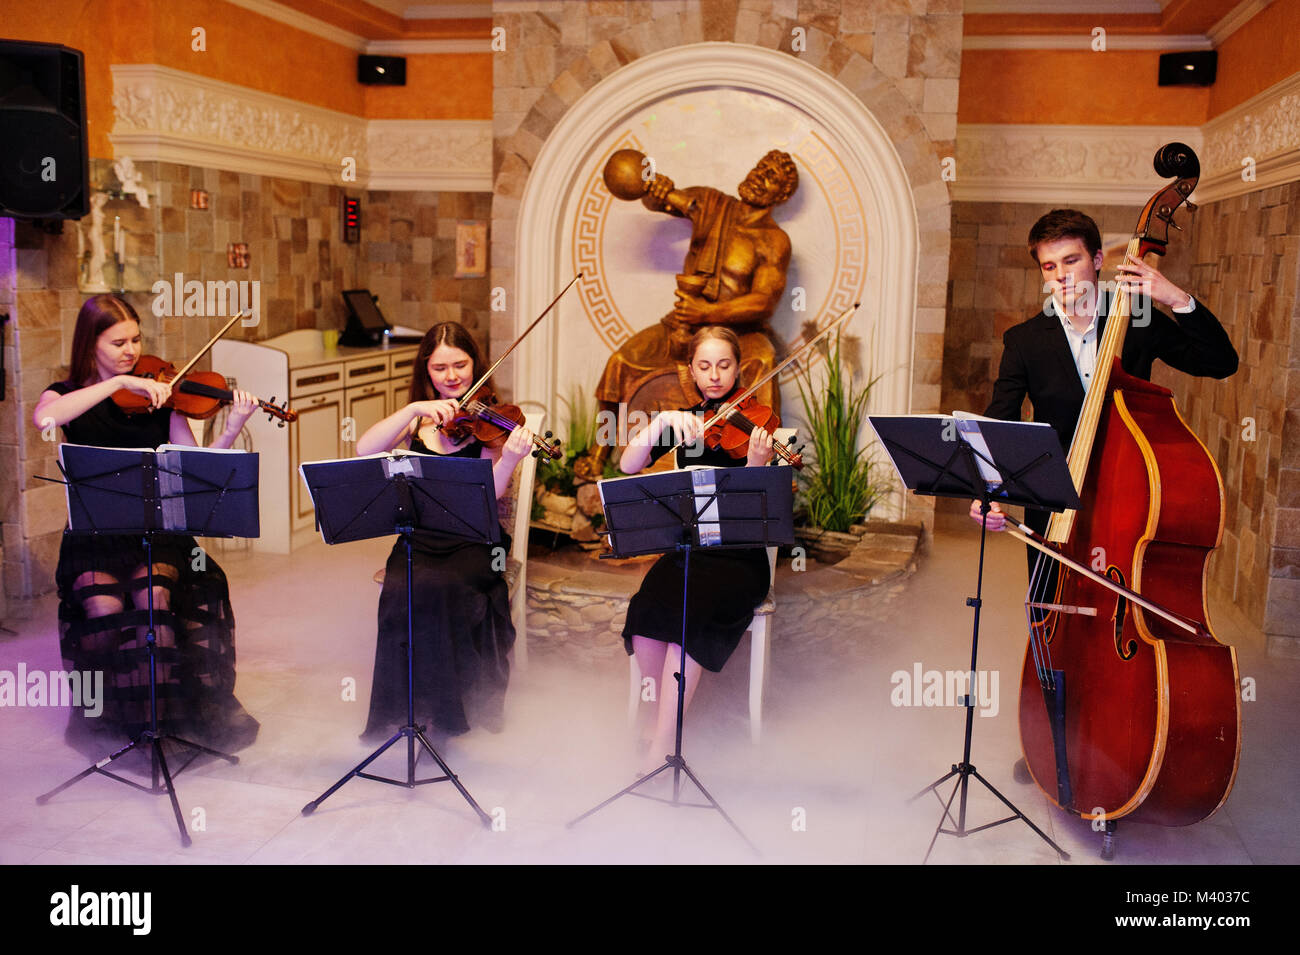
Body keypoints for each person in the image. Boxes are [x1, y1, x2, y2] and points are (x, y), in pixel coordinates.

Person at [31, 294, 260, 757]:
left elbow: (197, 466)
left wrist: (232, 426)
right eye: (117, 343)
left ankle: (160, 729)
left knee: (151, 597)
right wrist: (117, 383)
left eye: (136, 339)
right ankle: (115, 724)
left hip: (157, 534)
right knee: (102, 609)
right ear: (89, 344)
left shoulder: (163, 396)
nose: (131, 351)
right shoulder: (67, 392)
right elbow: (46, 419)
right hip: (95, 536)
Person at [971, 208, 1238, 546]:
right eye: (1049, 266)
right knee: (1049, 597)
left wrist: (1176, 298)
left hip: (1127, 487)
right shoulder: (1024, 341)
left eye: (1071, 260)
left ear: (1097, 260)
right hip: (1053, 500)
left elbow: (1220, 363)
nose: (1061, 275)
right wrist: (986, 493)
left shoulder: (1137, 318)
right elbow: (1000, 424)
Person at [355, 321, 535, 738]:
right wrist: (413, 409)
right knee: (402, 591)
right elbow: (365, 449)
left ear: (476, 364)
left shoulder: (491, 420)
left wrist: (508, 458)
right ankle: (406, 707)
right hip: (420, 535)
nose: (452, 376)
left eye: (460, 364)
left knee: (440, 588)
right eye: (440, 368)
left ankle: (444, 713)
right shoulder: (418, 420)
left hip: (475, 538)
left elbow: (489, 497)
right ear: (426, 371)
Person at [575, 150, 797, 481]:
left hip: (739, 330)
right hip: (684, 320)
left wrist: (709, 311)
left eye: (769, 177)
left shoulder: (774, 241)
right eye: (759, 167)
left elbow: (764, 301)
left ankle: (771, 461)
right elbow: (662, 203)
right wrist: (654, 189)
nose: (758, 176)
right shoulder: (712, 202)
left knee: (763, 359)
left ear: (780, 195)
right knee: (620, 360)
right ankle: (599, 451)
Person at [618, 326, 775, 775]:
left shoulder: (759, 425)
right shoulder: (687, 422)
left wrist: (757, 466)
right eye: (704, 366)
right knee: (647, 612)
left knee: (690, 620)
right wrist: (660, 423)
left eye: (724, 365)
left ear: (738, 368)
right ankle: (655, 723)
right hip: (690, 550)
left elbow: (766, 508)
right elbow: (628, 465)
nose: (715, 376)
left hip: (739, 560)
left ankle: (663, 747)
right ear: (691, 371)